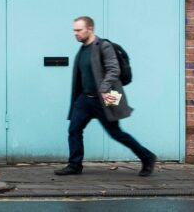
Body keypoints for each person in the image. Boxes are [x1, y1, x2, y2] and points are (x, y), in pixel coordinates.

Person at [54, 15, 156, 177]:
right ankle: (75, 165)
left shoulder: (104, 46)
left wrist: (103, 88)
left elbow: (113, 69)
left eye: (79, 30)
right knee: (74, 130)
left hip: (104, 99)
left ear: (90, 29)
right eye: (74, 31)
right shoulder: (82, 49)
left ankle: (147, 157)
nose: (76, 34)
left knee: (116, 133)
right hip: (85, 99)